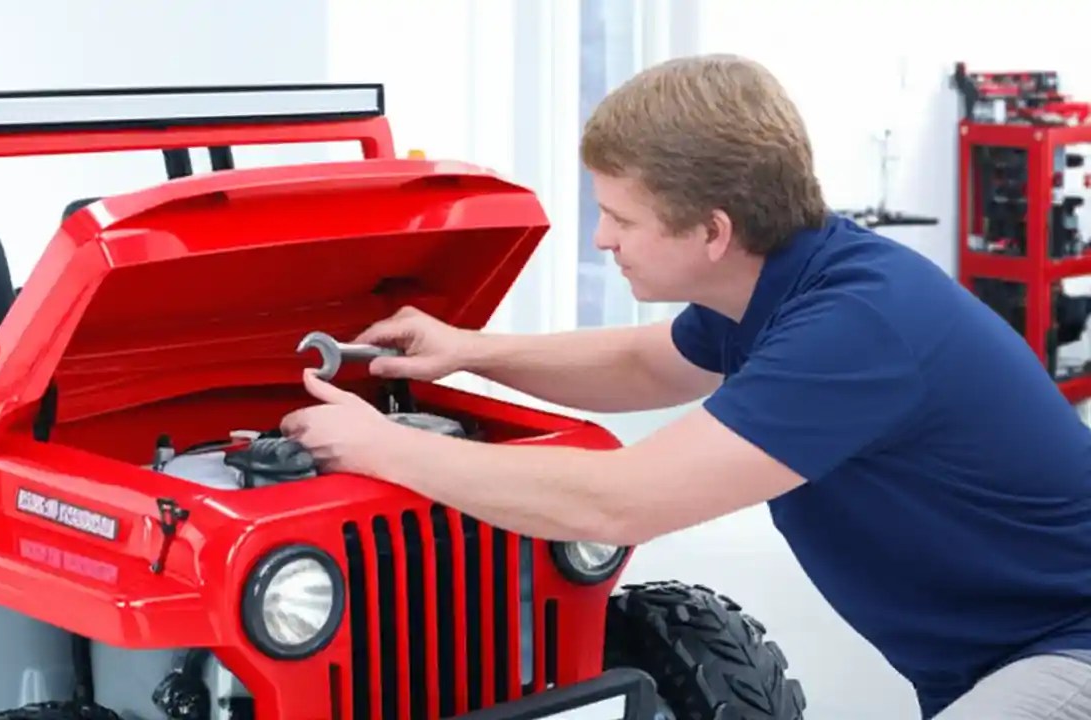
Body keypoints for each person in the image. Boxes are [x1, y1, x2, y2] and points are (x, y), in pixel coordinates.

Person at [279, 54, 1091, 719]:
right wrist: (467, 351)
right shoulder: (781, 278)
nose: (602, 239)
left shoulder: (857, 328)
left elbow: (620, 501)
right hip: (992, 658)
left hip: (1068, 651)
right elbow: (648, 363)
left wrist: (379, 447)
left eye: (621, 219)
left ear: (713, 231)